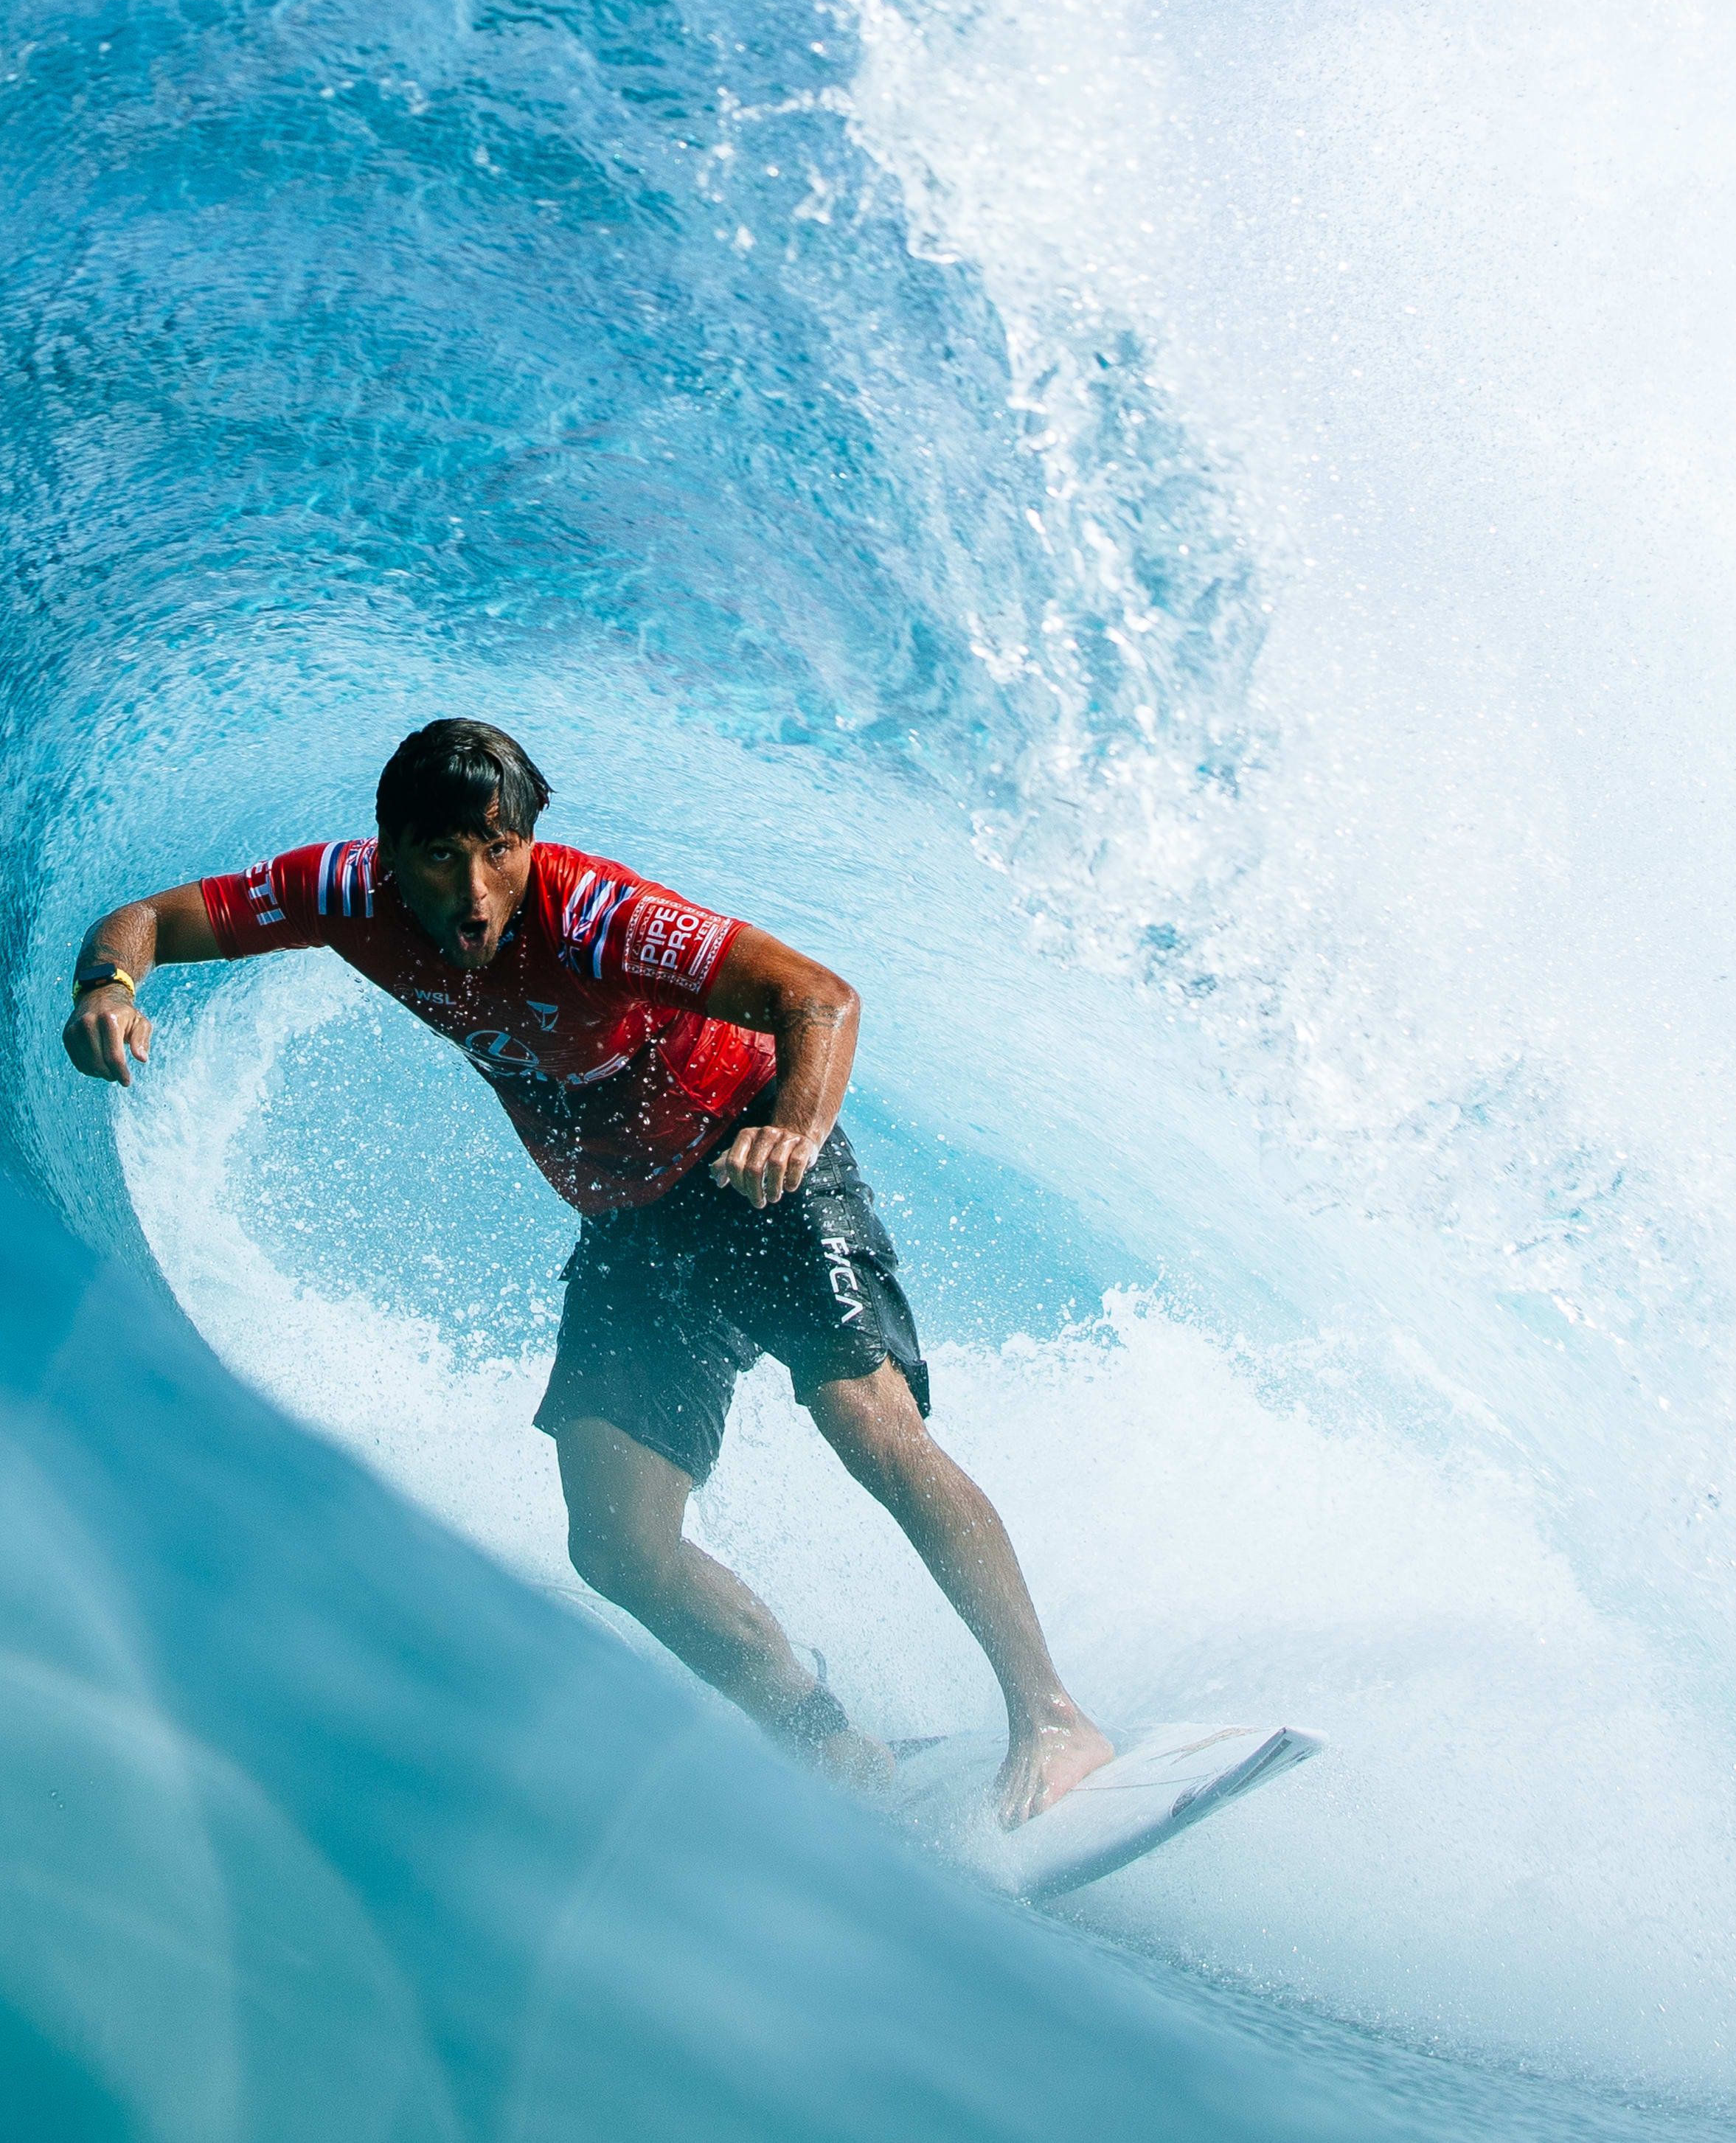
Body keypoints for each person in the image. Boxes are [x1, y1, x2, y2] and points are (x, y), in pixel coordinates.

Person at [61, 715, 1113, 1821]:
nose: (474, 887)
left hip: (755, 1163)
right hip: (633, 1224)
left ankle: (1052, 1719)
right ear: (389, 854)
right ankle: (834, 1750)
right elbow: (149, 919)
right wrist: (109, 987)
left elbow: (820, 997)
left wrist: (791, 1131)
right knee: (618, 1545)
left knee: (867, 1420)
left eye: (498, 848)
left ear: (527, 842)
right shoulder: (341, 894)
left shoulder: (597, 916)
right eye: (440, 855)